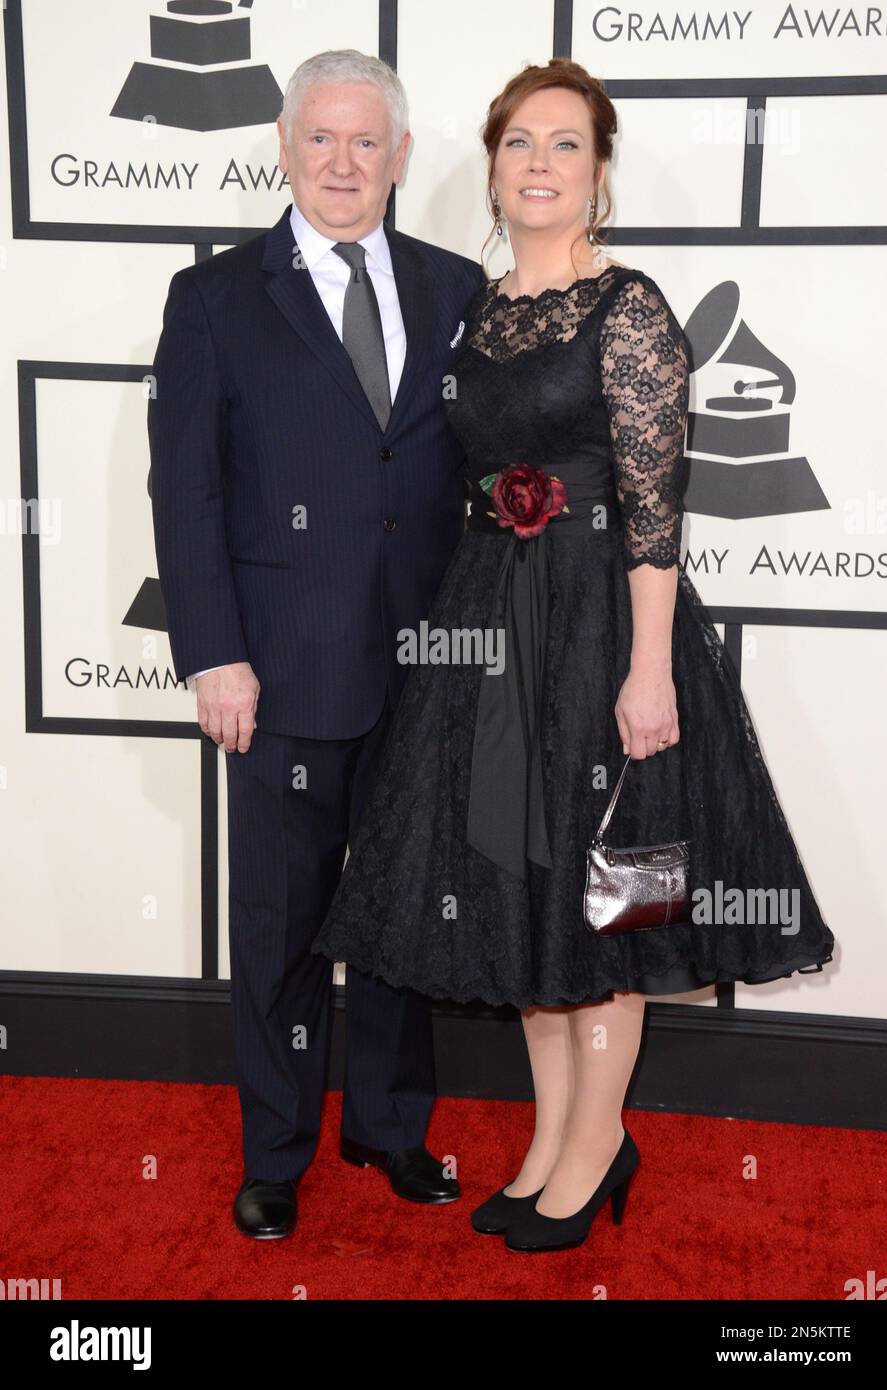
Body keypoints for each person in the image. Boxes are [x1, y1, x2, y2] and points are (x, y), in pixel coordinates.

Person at [311, 58, 835, 1253]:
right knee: (525, 894)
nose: (538, 165)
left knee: (613, 903)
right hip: (492, 633)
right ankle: (553, 1136)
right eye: (517, 145)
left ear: (597, 173)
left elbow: (658, 506)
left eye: (563, 145)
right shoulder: (478, 310)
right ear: (490, 170)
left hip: (606, 626)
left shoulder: (631, 306)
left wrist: (648, 671)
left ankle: (599, 1144)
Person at [148, 49, 483, 1240]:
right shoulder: (217, 297)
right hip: (280, 669)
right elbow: (184, 491)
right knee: (282, 922)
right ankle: (277, 1148)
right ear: (283, 151)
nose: (344, 163)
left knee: (403, 909)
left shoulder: (456, 289)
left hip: (429, 671)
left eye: (366, 142)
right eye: (320, 140)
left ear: (399, 158)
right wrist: (211, 652)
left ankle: (391, 1127)